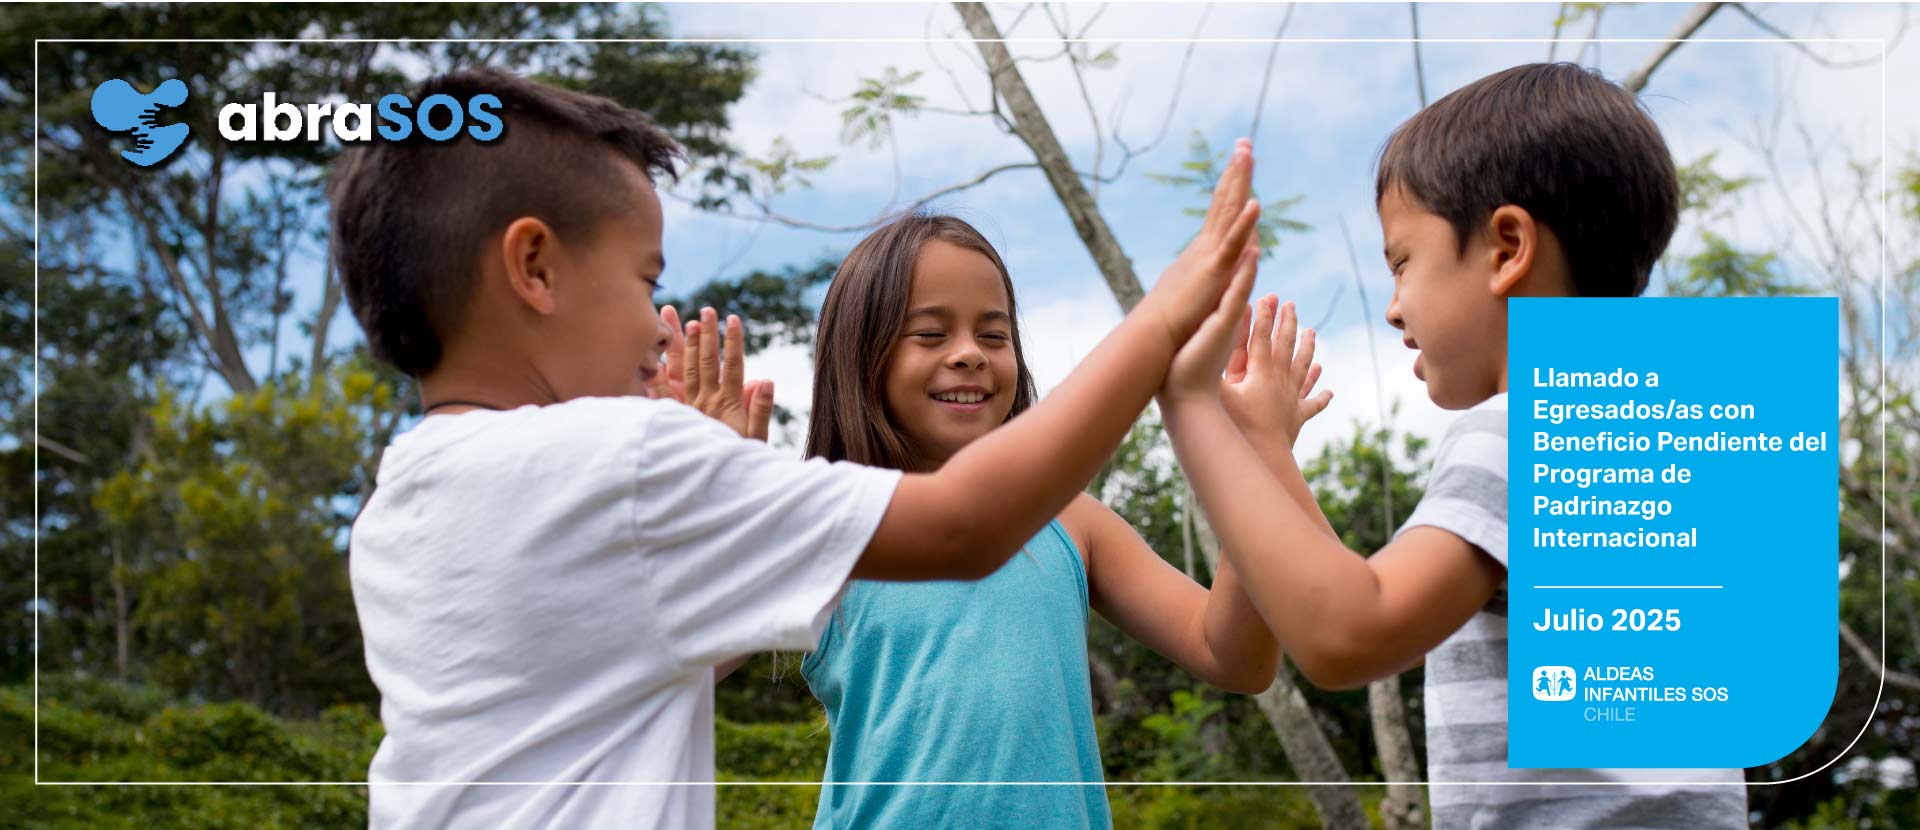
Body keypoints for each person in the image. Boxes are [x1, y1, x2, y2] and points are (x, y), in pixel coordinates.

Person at [326, 67, 1267, 829]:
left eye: (993, 332)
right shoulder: (623, 459)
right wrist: (1162, 321)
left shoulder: (398, 509)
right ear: (534, 267)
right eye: (645, 280)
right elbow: (967, 524)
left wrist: (700, 498)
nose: (657, 327)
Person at [1157, 63, 1748, 829]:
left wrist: (1191, 403)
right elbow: (1373, 606)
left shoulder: (1521, 430)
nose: (1394, 308)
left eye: (1402, 262)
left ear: (1507, 247)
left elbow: (1348, 635)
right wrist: (1268, 450)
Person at [787, 206, 1330, 828]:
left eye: (994, 336)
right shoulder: (826, 523)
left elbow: (1236, 658)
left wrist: (1259, 453)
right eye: (931, 334)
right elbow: (691, 650)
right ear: (861, 356)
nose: (969, 354)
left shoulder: (1071, 522)